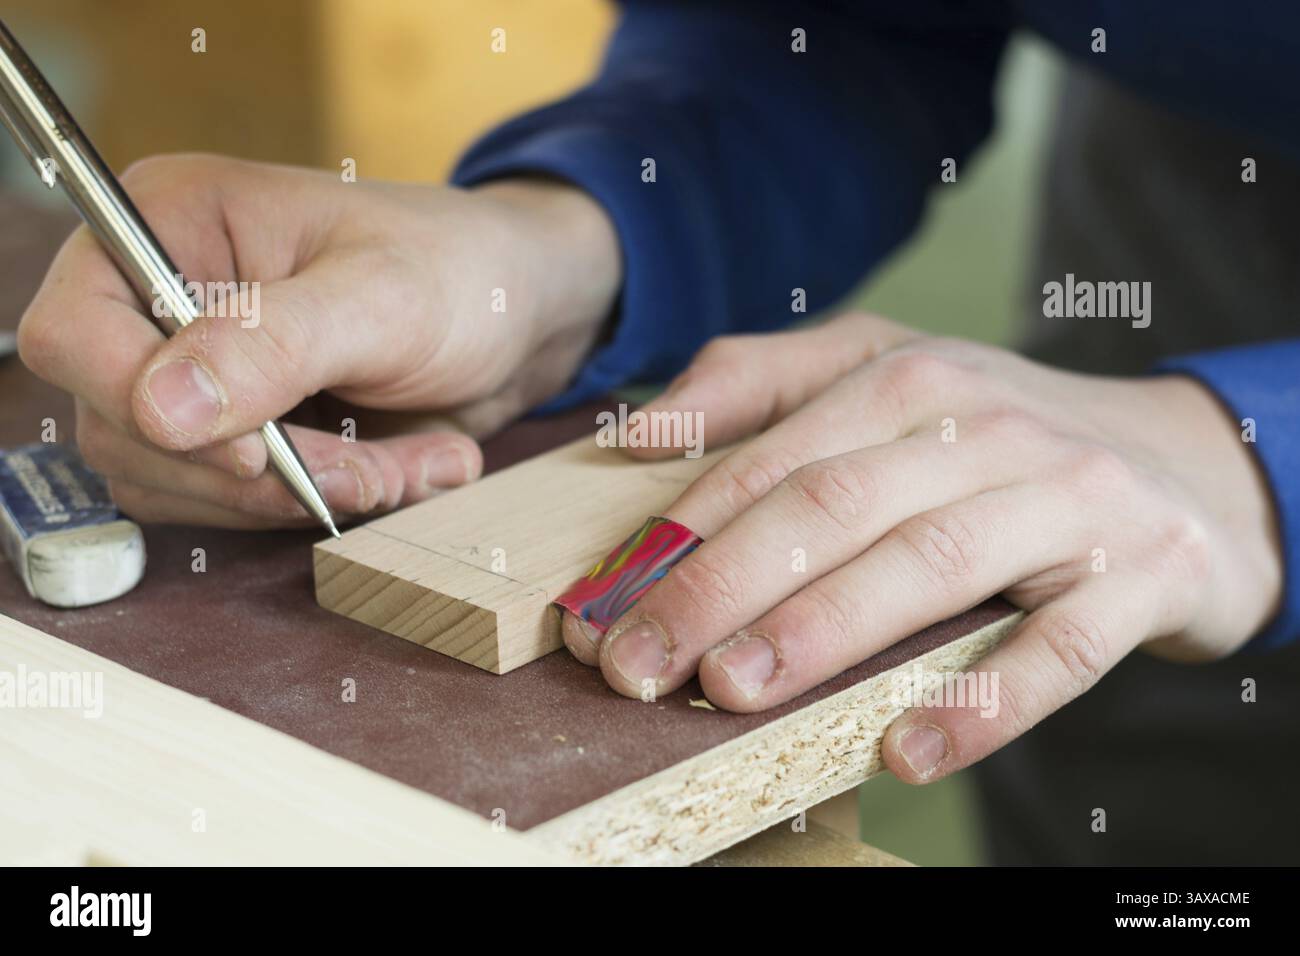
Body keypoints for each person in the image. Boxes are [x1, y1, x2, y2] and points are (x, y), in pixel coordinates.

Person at [17, 1, 1299, 863]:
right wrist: (568, 247)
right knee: (1141, 779)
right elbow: (838, 29)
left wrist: (1253, 455)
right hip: (1212, 112)